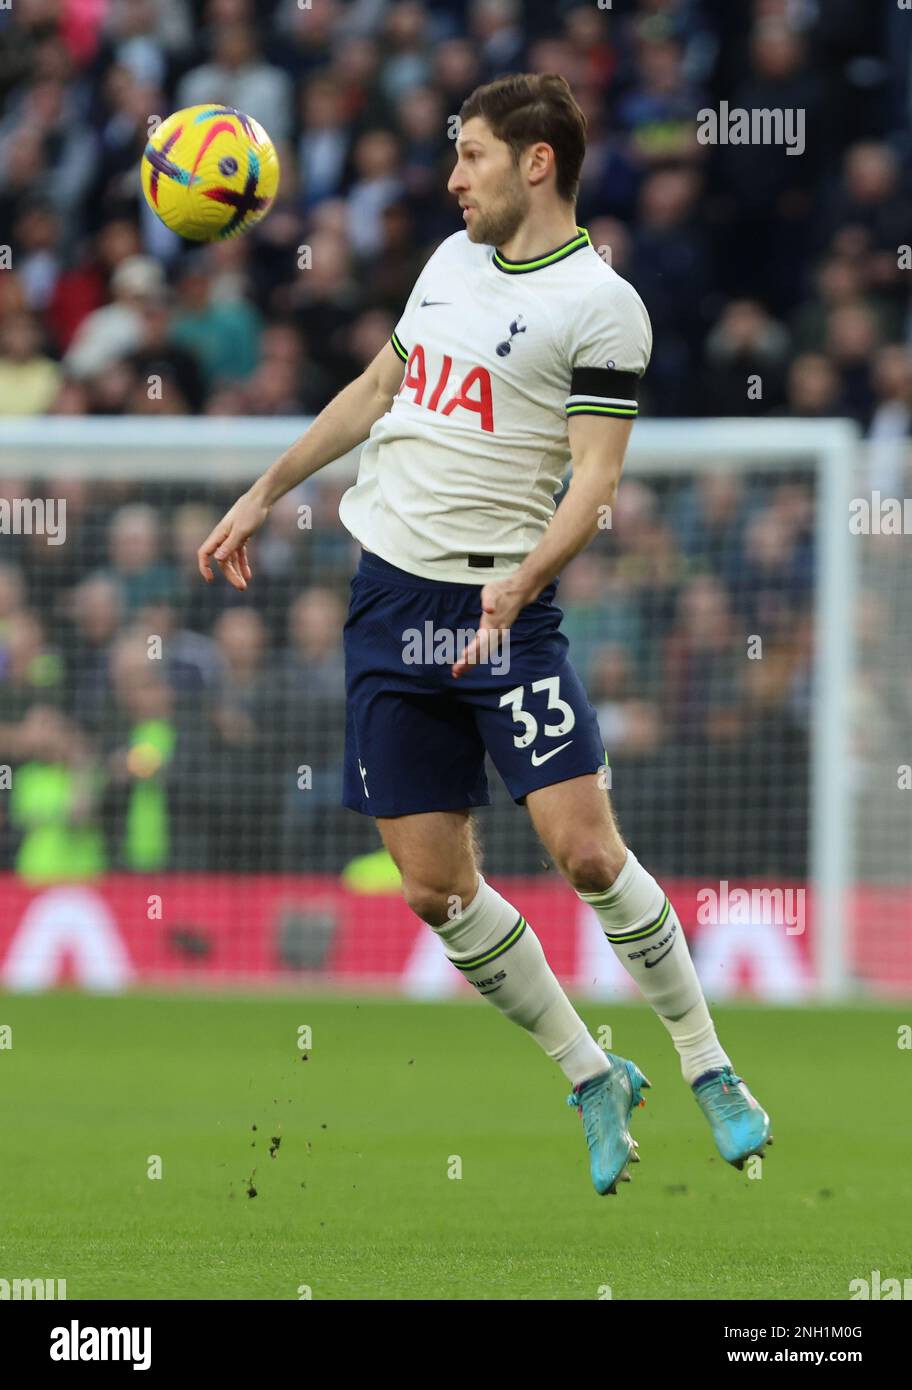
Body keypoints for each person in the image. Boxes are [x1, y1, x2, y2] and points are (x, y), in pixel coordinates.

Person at [198, 72, 771, 1197]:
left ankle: (708, 1064)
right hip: (388, 609)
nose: (453, 177)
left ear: (537, 162)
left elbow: (596, 480)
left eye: (471, 157)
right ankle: (589, 1072)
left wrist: (524, 583)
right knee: (432, 888)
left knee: (588, 851)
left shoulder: (603, 307)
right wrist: (266, 489)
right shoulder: (449, 263)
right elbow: (379, 386)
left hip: (504, 618)